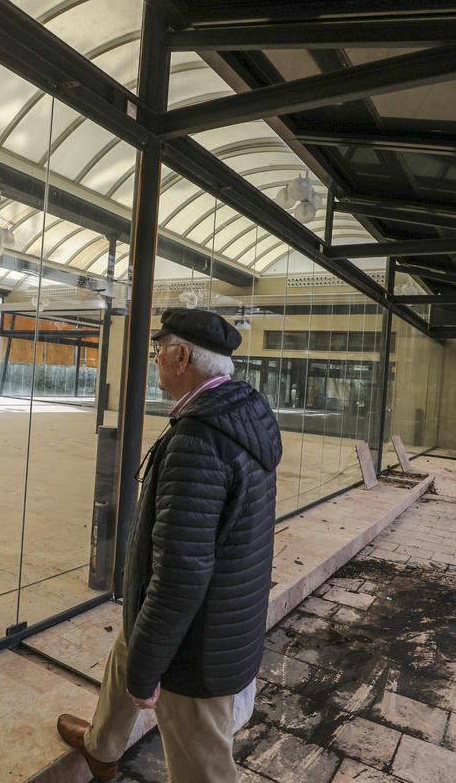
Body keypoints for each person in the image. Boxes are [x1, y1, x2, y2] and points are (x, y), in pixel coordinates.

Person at [57, 307, 282, 782]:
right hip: (221, 618)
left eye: (160, 351)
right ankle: (103, 747)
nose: (156, 359)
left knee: (201, 764)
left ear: (181, 357)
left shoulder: (199, 440)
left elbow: (181, 574)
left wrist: (149, 672)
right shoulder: (236, 414)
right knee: (130, 648)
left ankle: (113, 734)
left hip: (197, 645)